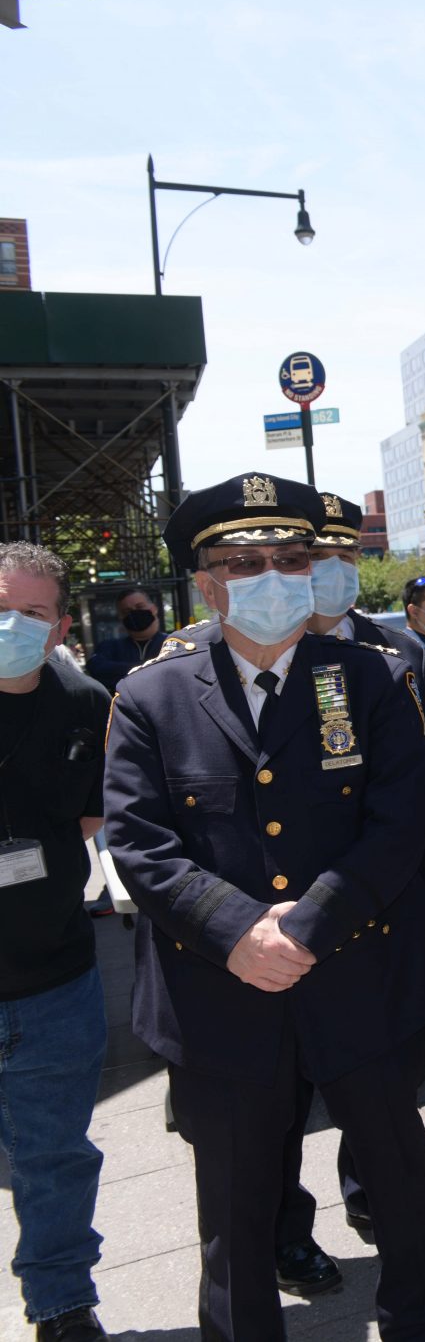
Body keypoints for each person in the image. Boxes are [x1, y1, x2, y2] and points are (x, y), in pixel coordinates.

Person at [104, 472, 425, 1341]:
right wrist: (237, 931)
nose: (274, 575)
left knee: (404, 1192)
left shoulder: (374, 680)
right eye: (245, 562)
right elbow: (140, 841)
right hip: (220, 994)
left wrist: (301, 927)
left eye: (292, 558)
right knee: (236, 1220)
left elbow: (400, 824)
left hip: (358, 978)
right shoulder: (151, 695)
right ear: (208, 585)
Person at [265, 493, 425, 1283]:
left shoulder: (398, 652)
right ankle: (286, 1232)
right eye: (317, 556)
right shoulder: (238, 656)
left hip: (385, 914)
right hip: (284, 923)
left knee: (387, 1076)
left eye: (346, 555)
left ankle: (371, 1191)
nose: (332, 570)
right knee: (277, 1095)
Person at [0, 545, 112, 1342]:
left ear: (60, 626)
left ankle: (62, 1304)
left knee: (56, 1159)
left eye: (32, 613)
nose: (12, 624)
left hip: (54, 981)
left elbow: (91, 815)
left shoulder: (85, 702)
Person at [84, 586, 163, 692]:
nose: (134, 613)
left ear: (154, 608)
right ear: (120, 617)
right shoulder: (110, 647)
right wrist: (156, 667)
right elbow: (96, 668)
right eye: (127, 611)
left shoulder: (172, 642)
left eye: (140, 606)